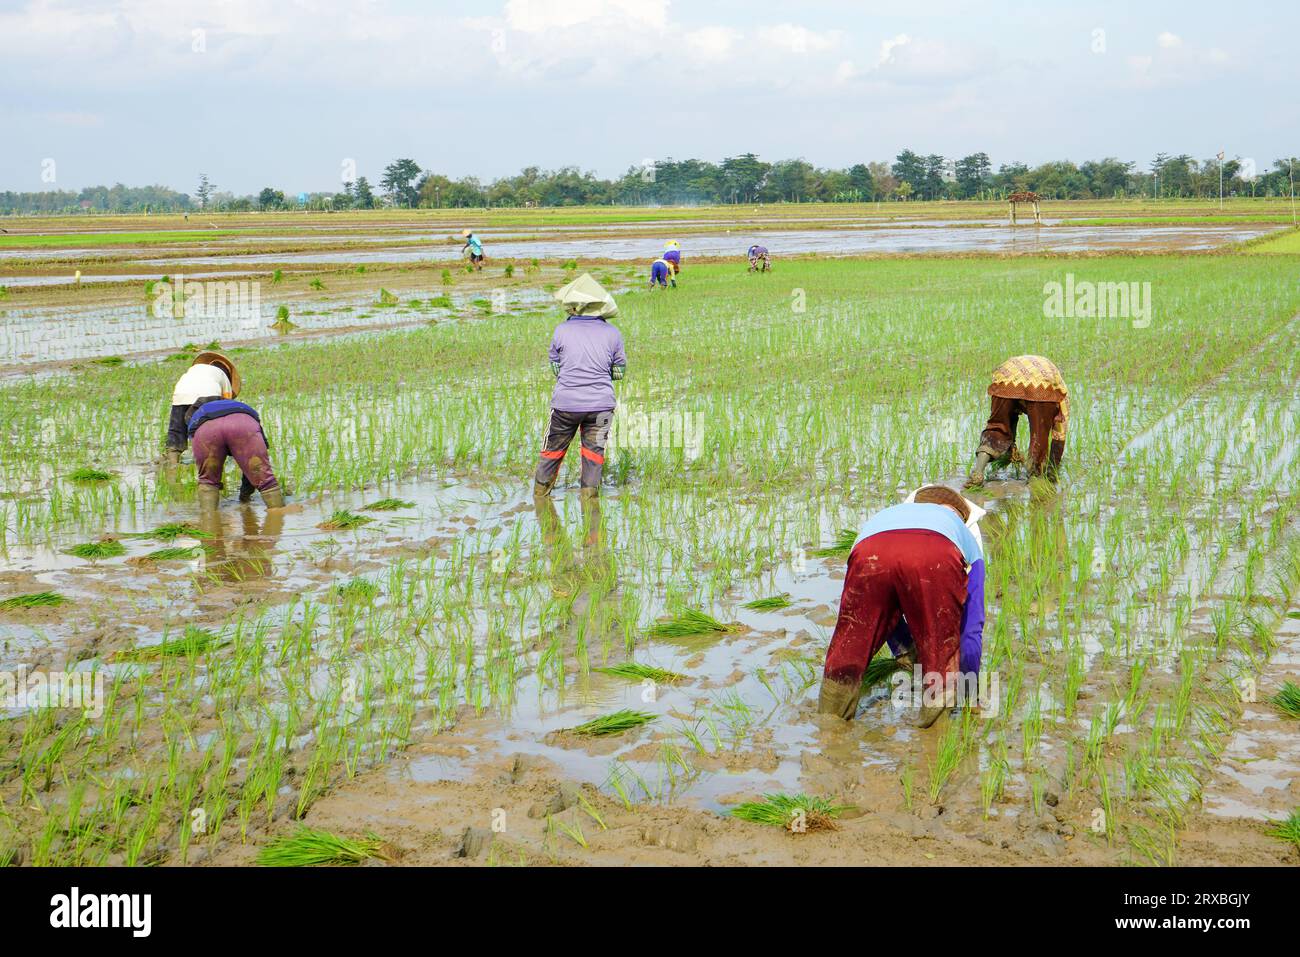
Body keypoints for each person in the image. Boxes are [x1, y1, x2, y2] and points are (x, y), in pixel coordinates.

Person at [818, 484, 986, 728]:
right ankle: (934, 734)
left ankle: (829, 722)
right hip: (936, 552)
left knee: (851, 640)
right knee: (941, 643)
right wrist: (971, 694)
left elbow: (882, 611)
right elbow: (972, 628)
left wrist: (905, 649)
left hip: (868, 549)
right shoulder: (965, 536)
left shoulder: (885, 517)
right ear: (960, 516)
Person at [534, 274, 627, 500]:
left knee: (552, 450)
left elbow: (556, 368)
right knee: (594, 453)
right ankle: (589, 499)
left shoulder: (561, 331)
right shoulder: (613, 333)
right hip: (601, 406)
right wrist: (599, 376)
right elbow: (619, 372)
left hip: (566, 404)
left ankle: (540, 496)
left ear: (574, 307)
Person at [966, 355, 1068, 487]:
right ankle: (1035, 478)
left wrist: (1011, 447)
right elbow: (1059, 435)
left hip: (1005, 376)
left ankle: (978, 472)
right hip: (1042, 384)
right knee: (1039, 436)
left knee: (997, 427)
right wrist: (1052, 470)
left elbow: (1010, 419)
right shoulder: (1061, 393)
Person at [185, 394, 285, 511]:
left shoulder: (196, 416)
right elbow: (252, 467)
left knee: (208, 482)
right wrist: (245, 495)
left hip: (205, 429)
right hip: (242, 423)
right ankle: (277, 515)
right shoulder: (239, 406)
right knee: (265, 479)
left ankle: (209, 520)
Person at [165, 352, 240, 471]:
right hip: (208, 394)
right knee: (212, 431)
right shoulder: (222, 375)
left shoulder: (194, 369)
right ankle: (212, 463)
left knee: (177, 431)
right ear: (227, 371)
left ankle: (172, 463)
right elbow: (226, 403)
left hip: (180, 394)